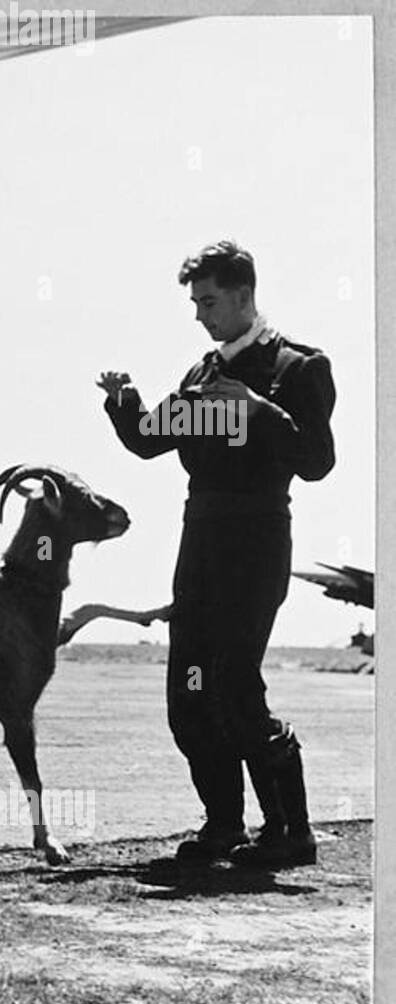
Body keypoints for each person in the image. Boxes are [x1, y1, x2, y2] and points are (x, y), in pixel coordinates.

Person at [97, 240, 336, 867]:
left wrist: (257, 411)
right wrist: (124, 404)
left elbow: (316, 462)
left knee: (233, 687)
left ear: (242, 295)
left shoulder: (299, 368)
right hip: (199, 542)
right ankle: (224, 824)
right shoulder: (200, 377)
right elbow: (151, 440)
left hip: (256, 546)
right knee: (188, 691)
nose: (199, 314)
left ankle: (290, 831)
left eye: (207, 301)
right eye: (195, 303)